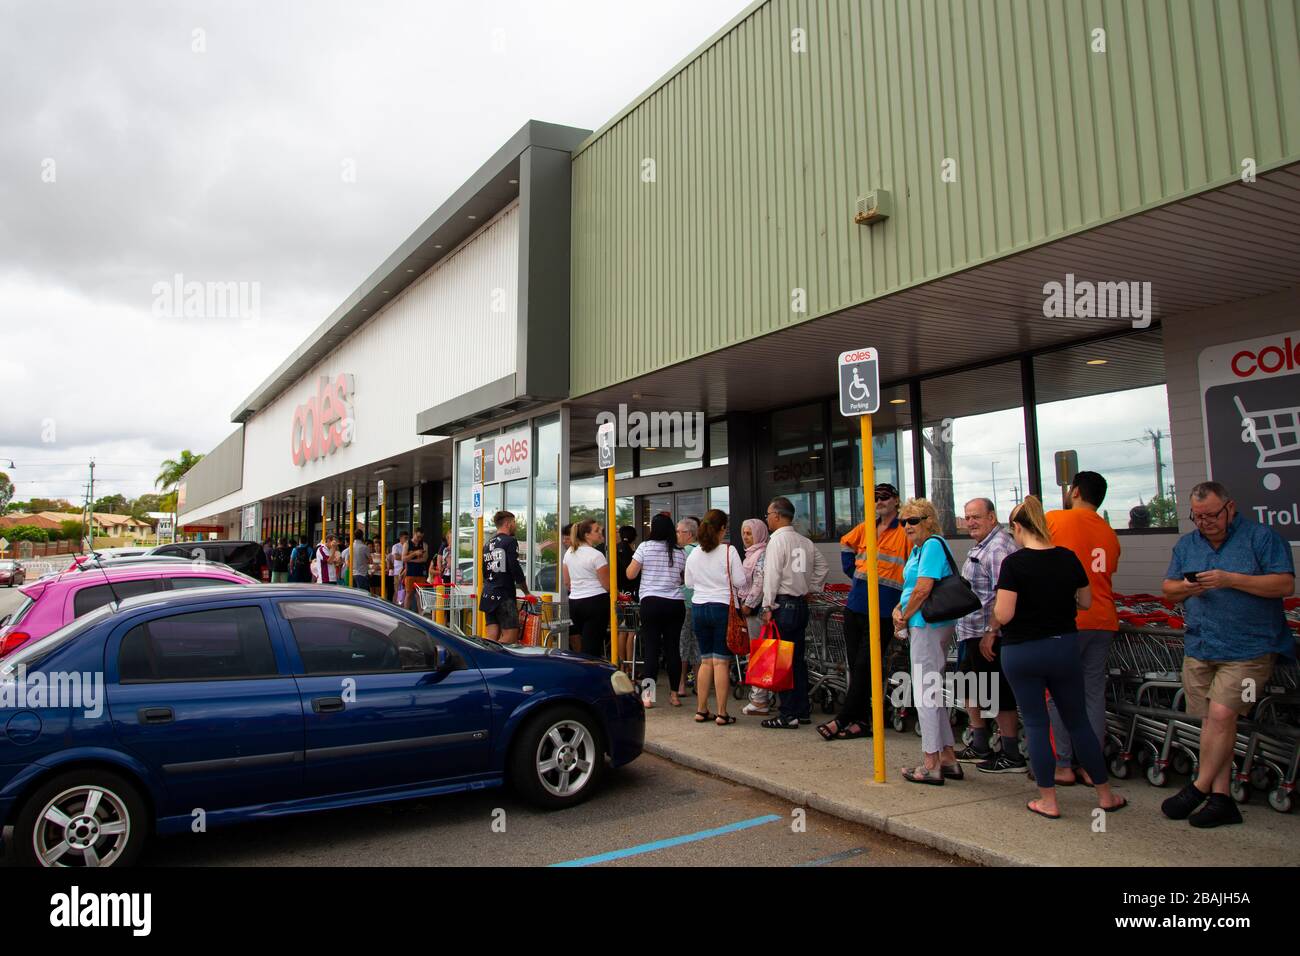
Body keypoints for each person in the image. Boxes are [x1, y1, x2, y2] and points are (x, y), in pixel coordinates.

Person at [1160, 481, 1295, 828]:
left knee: (1222, 715)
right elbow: (1169, 589)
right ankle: (1222, 799)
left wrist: (1231, 580)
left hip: (1251, 648)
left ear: (1230, 508)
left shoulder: (1261, 539)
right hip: (1202, 644)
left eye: (1212, 515)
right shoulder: (1187, 545)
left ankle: (1199, 786)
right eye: (1198, 516)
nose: (1205, 522)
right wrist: (1188, 587)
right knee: (1211, 722)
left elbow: (1284, 584)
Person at [992, 496, 1128, 818]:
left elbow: (1005, 614)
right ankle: (1105, 795)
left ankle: (1048, 801)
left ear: (1019, 527)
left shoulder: (1013, 564)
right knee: (1078, 720)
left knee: (1037, 725)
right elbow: (1085, 601)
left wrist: (997, 613)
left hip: (1022, 651)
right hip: (1063, 647)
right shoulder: (1068, 558)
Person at [1046, 471, 1121, 785]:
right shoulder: (1109, 533)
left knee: (1056, 693)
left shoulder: (1056, 520)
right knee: (1092, 695)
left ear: (1074, 491)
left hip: (1067, 618)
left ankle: (1063, 764)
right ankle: (1092, 766)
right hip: (1103, 618)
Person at [819, 482, 911, 739]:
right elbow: (845, 543)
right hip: (856, 604)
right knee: (857, 665)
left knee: (864, 666)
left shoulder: (904, 531)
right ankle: (862, 721)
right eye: (874, 498)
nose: (879, 501)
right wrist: (853, 571)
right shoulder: (867, 527)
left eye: (884, 497)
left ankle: (844, 718)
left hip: (882, 609)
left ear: (895, 500)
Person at [892, 499, 963, 783]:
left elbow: (923, 589)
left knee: (925, 692)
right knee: (931, 689)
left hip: (927, 624)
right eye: (904, 521)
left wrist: (905, 615)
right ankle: (947, 757)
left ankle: (930, 762)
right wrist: (901, 610)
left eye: (914, 520)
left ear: (929, 520)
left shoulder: (932, 545)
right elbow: (911, 588)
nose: (908, 526)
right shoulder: (919, 549)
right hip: (925, 623)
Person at [952, 498, 1025, 772]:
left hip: (987, 635)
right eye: (968, 517)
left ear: (992, 517)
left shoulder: (997, 549)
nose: (971, 522)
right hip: (971, 631)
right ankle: (980, 743)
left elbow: (1002, 595)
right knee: (972, 688)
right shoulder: (983, 546)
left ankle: (1011, 753)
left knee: (998, 693)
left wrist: (991, 632)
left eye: (977, 517)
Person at [759, 497, 828, 729]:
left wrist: (767, 605)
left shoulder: (777, 541)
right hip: (800, 605)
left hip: (783, 605)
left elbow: (772, 576)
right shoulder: (804, 541)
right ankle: (802, 709)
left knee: (782, 661)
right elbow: (823, 566)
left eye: (768, 514)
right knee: (798, 660)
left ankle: (788, 714)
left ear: (777, 515)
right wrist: (812, 588)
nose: (767, 518)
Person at [684, 509, 747, 726]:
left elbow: (689, 583)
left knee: (705, 661)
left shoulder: (694, 554)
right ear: (723, 529)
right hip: (722, 608)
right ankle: (722, 713)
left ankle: (701, 710)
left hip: (699, 607)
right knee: (721, 663)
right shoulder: (729, 551)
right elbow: (740, 582)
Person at [626, 513, 687, 708]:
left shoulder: (644, 547)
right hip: (675, 604)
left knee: (651, 650)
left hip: (651, 602)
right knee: (673, 650)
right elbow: (684, 578)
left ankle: (648, 697)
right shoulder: (679, 551)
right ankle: (674, 695)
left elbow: (630, 573)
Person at [481, 510, 531, 643]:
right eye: (514, 522)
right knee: (510, 636)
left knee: (491, 637)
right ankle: (502, 662)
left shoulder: (487, 544)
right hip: (504, 595)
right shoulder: (510, 541)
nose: (516, 525)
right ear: (508, 524)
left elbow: (484, 571)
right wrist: (526, 592)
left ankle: (487, 661)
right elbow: (515, 568)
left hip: (487, 594)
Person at [738, 517, 771, 716]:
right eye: (744, 533)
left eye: (749, 533)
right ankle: (759, 695)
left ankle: (760, 699)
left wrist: (748, 604)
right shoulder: (750, 554)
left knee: (758, 654)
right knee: (756, 653)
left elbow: (760, 581)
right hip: (750, 609)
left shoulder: (761, 554)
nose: (746, 537)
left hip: (755, 610)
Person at [563, 519, 610, 657]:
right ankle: (591, 674)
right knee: (593, 647)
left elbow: (567, 582)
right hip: (595, 601)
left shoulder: (569, 552)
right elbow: (607, 585)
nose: (600, 532)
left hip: (575, 602)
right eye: (596, 530)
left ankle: (586, 671)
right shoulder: (597, 555)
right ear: (586, 535)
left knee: (586, 642)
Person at [676, 517, 700, 698]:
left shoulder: (681, 553)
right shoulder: (702, 551)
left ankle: (681, 683)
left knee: (683, 643)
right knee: (697, 643)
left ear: (689, 534)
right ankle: (700, 683)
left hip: (684, 602)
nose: (676, 535)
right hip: (700, 602)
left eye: (679, 531)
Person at [615, 525, 640, 673]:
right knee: (632, 632)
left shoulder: (615, 551)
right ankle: (631, 666)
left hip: (619, 595)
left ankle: (621, 664)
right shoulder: (633, 554)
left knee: (621, 631)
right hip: (632, 595)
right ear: (634, 537)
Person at [402, 529, 430, 610]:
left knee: (419, 595)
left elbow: (424, 559)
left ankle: (421, 615)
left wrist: (410, 560)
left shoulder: (424, 545)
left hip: (420, 573)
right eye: (418, 536)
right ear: (414, 534)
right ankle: (405, 613)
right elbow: (403, 558)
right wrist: (414, 553)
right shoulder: (407, 544)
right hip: (410, 573)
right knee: (408, 593)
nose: (419, 539)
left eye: (421, 537)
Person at [388, 531, 408, 604]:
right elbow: (396, 556)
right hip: (398, 571)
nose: (406, 540)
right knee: (397, 590)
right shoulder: (396, 546)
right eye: (405, 538)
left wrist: (406, 557)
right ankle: (395, 605)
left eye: (407, 538)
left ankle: (402, 605)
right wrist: (406, 557)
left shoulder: (408, 546)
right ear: (400, 538)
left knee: (405, 591)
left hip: (406, 571)